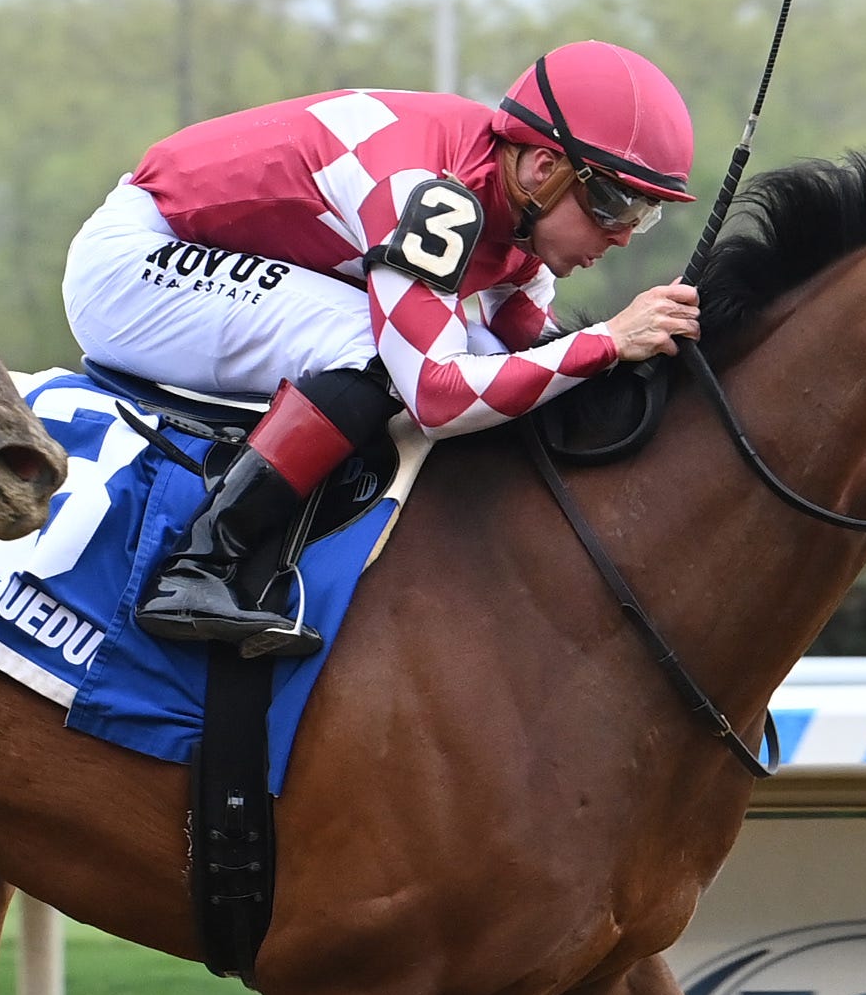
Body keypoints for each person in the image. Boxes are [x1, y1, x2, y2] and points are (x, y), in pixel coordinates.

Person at [63, 41, 707, 655]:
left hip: (208, 256)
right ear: (545, 167)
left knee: (465, 350)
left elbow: (519, 365)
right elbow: (437, 398)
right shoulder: (428, 192)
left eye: (644, 214)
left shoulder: (518, 221)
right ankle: (196, 567)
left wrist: (633, 357)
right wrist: (608, 339)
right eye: (615, 205)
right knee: (376, 352)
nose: (624, 236)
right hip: (134, 266)